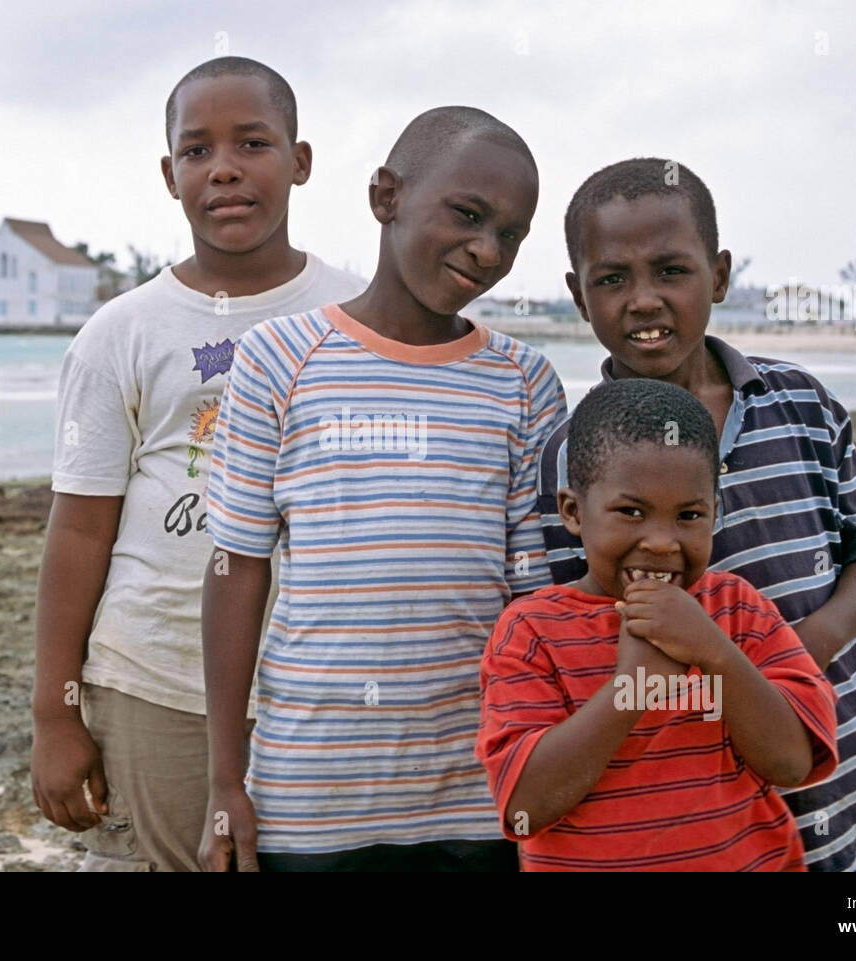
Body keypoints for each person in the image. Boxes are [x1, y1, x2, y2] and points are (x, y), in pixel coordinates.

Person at [538, 157, 856, 871]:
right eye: (612, 279)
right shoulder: (570, 457)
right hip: (708, 820)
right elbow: (568, 630)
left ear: (720, 275)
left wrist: (811, 641)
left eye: (671, 270)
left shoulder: (798, 402)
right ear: (578, 296)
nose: (643, 300)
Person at [199, 105, 566, 871]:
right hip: (309, 795)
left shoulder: (524, 383)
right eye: (466, 215)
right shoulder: (278, 359)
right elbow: (237, 571)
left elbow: (534, 601)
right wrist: (224, 781)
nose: (487, 248)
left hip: (477, 793)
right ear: (385, 196)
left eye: (510, 234)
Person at [29, 56, 364, 872]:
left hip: (321, 681)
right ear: (169, 174)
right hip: (157, 679)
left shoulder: (358, 315)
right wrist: (54, 713)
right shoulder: (121, 333)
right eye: (196, 150)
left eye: (252, 143)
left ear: (301, 160)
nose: (224, 168)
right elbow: (77, 531)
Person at [478, 378, 839, 870]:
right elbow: (524, 807)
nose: (663, 543)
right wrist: (632, 689)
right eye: (631, 512)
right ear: (573, 512)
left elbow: (792, 764)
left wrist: (714, 652)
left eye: (689, 515)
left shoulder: (738, 611)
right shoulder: (530, 631)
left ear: (715, 513)